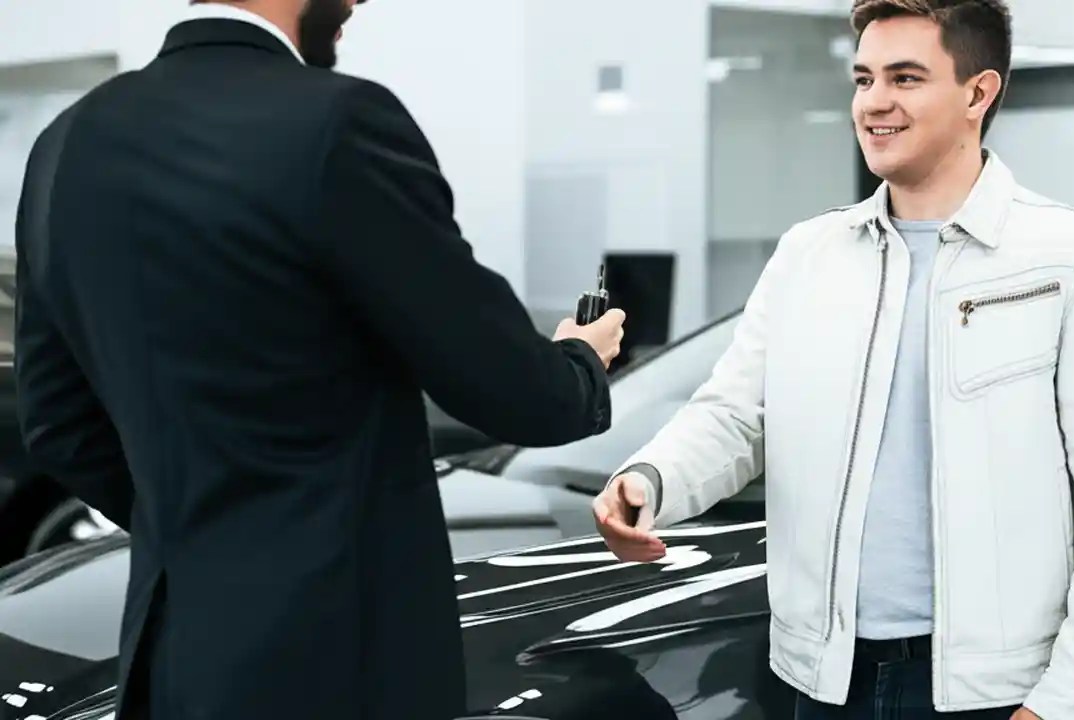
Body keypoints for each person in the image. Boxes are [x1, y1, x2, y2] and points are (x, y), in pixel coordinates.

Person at [12, 1, 626, 719]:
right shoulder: (337, 123)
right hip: (337, 660)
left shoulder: (67, 142)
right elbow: (513, 391)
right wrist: (579, 362)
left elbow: (55, 421)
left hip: (168, 652)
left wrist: (201, 520)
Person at [593, 1, 1074, 719]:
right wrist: (650, 480)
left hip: (991, 696)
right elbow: (738, 415)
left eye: (904, 78)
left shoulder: (1072, 259)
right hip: (823, 682)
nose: (874, 103)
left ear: (977, 93)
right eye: (863, 79)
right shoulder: (810, 255)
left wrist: (1069, 701)